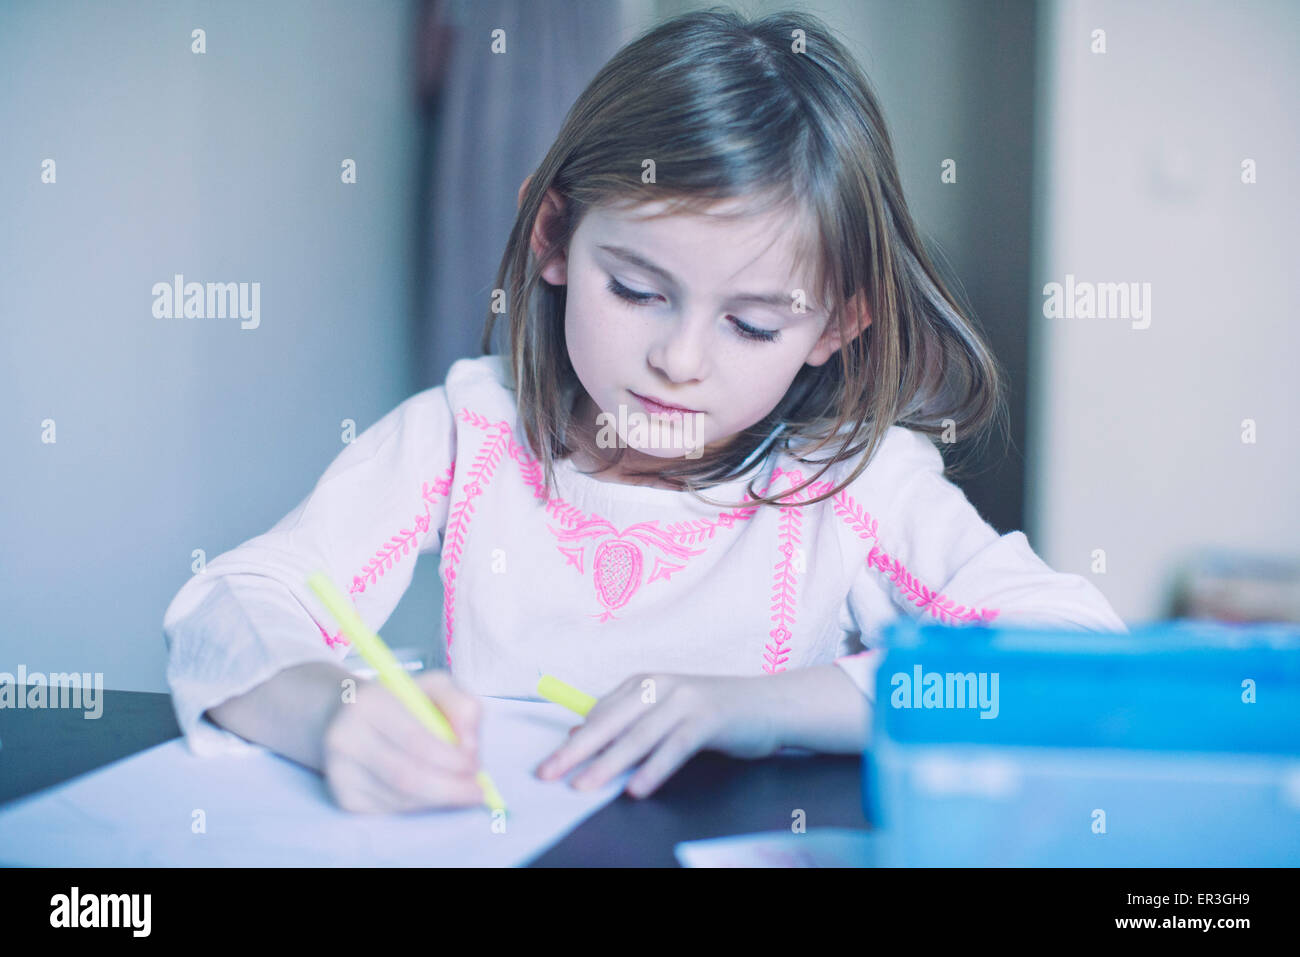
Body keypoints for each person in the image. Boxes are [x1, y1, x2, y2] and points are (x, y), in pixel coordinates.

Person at [162, 8, 1125, 814]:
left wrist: (764, 705)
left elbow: (1076, 656)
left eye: (752, 324)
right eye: (635, 291)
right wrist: (334, 714)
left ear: (835, 327)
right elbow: (230, 604)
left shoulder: (853, 479)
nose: (678, 360)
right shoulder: (468, 435)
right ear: (556, 238)